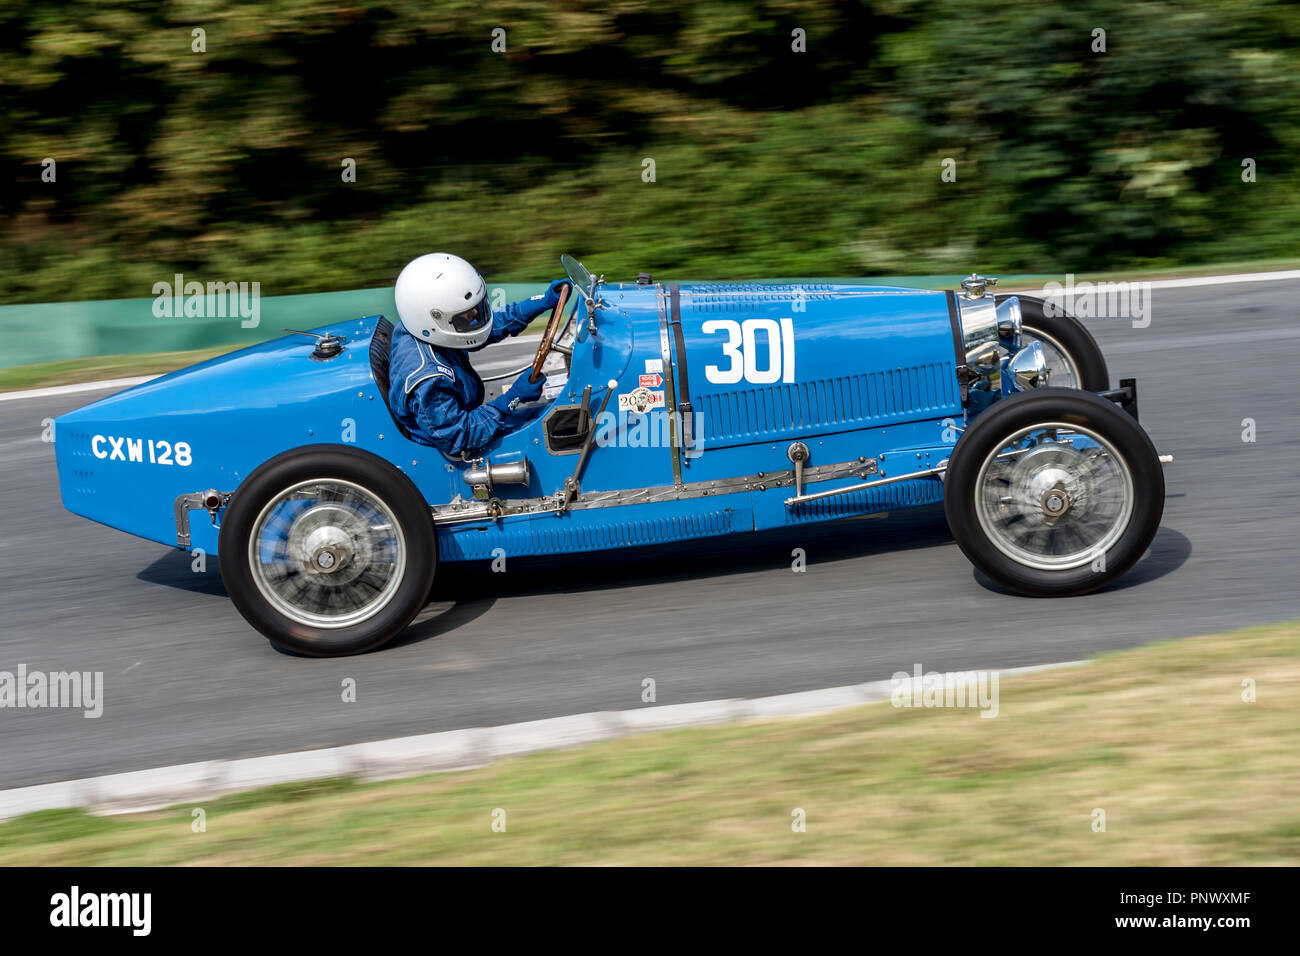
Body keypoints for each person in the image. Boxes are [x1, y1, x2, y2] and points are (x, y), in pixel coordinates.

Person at [388, 252, 566, 456]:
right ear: (435, 320)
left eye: (477, 308)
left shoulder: (420, 327)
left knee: (548, 412)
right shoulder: (429, 381)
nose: (474, 315)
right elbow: (460, 437)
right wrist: (513, 397)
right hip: (461, 444)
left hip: (463, 418)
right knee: (556, 423)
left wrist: (541, 302)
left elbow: (483, 329)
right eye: (466, 314)